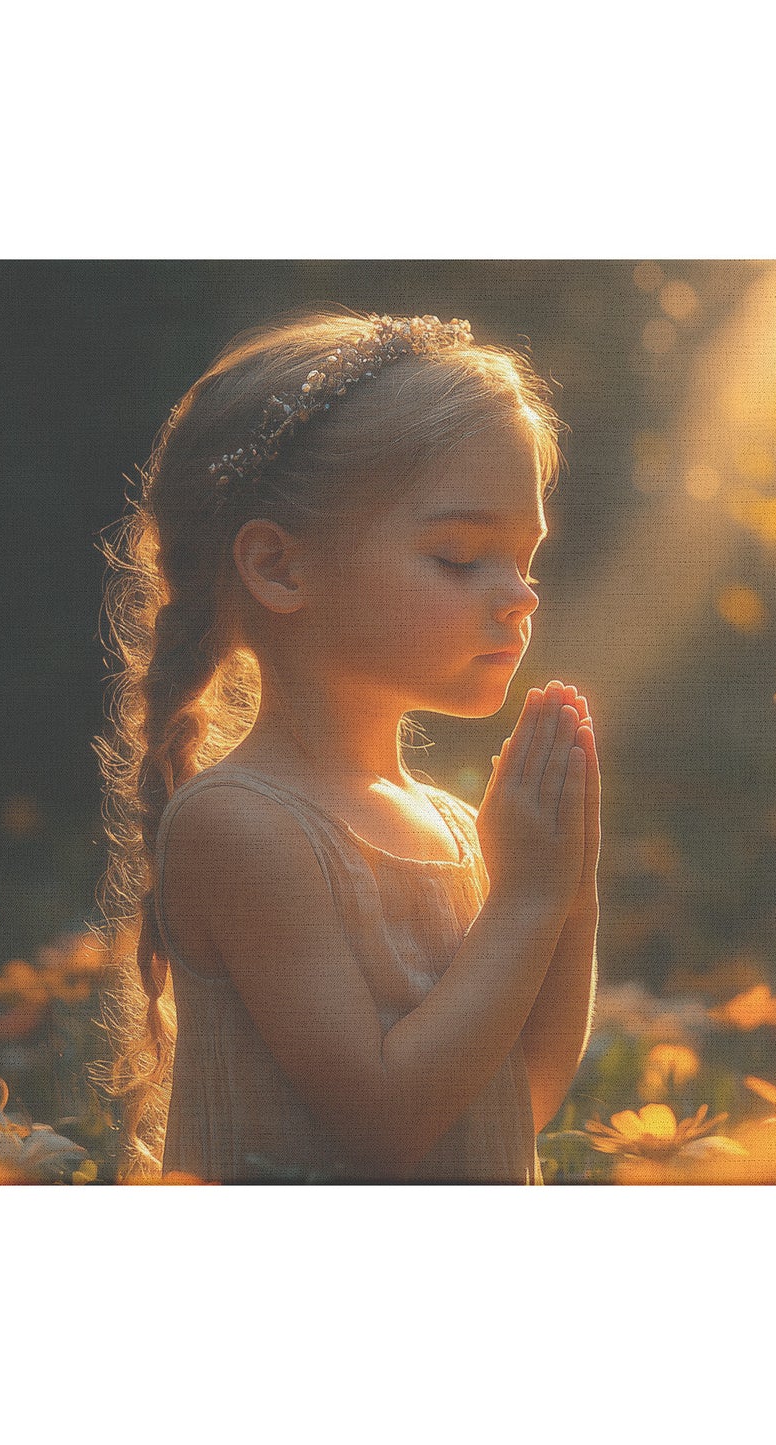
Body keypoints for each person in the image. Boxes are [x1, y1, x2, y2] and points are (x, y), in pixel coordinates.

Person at [95, 310, 599, 1183]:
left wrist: (568, 879)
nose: (518, 595)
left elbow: (514, 1099)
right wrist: (526, 897)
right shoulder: (241, 825)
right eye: (459, 555)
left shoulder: (449, 823)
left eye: (525, 559)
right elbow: (386, 1123)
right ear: (280, 568)